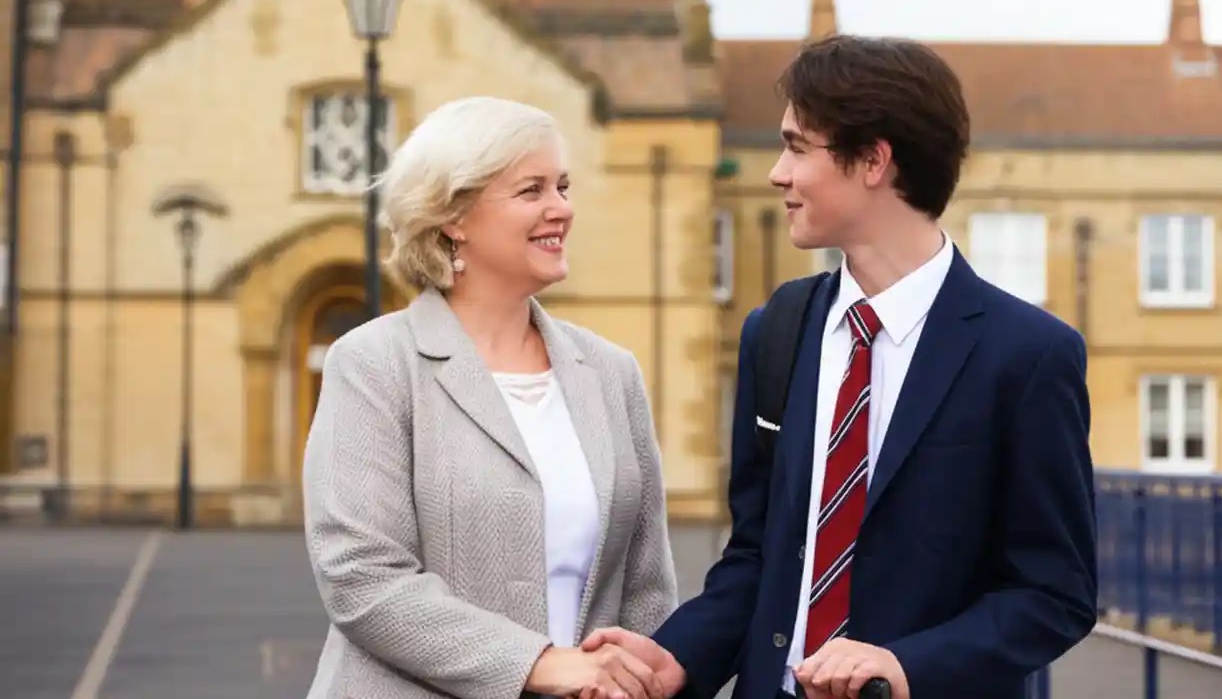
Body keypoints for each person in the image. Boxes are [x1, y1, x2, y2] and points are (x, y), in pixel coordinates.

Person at [582, 35, 1098, 699]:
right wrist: (675, 656)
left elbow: (1054, 593)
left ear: (874, 160)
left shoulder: (1027, 355)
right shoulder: (777, 332)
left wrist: (906, 666)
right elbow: (758, 558)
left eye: (798, 147)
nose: (778, 173)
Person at [302, 96, 678, 699]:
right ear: (453, 216)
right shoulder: (373, 363)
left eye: (563, 186)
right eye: (532, 191)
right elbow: (362, 575)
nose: (562, 209)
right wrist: (540, 664)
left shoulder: (611, 373)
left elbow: (647, 590)